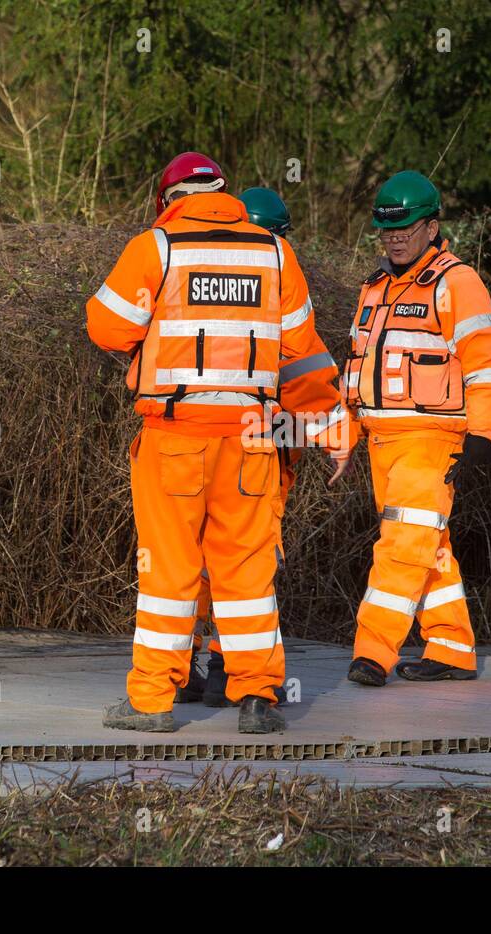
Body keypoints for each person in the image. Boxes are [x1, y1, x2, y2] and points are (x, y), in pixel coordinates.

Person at [86, 153, 352, 733]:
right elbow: (303, 355)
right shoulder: (274, 253)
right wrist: (330, 424)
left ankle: (153, 700)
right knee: (248, 572)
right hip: (253, 441)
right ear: (225, 193)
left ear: (167, 200)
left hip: (174, 438)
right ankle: (257, 697)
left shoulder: (156, 247)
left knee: (169, 571)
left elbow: (106, 327)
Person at [339, 170, 491, 686]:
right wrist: (344, 437)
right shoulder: (373, 288)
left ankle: (373, 650)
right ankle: (452, 648)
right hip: (380, 442)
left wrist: (482, 435)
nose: (393, 237)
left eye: (405, 227)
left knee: (401, 545)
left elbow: (486, 364)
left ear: (432, 228)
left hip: (431, 441)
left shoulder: (458, 282)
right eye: (386, 229)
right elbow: (357, 369)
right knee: (426, 544)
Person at [183, 186, 339, 708]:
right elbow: (309, 372)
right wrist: (334, 433)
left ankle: (186, 668)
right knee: (247, 562)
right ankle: (236, 673)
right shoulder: (276, 284)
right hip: (256, 452)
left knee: (192, 560)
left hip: (191, 447)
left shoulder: (193, 278)